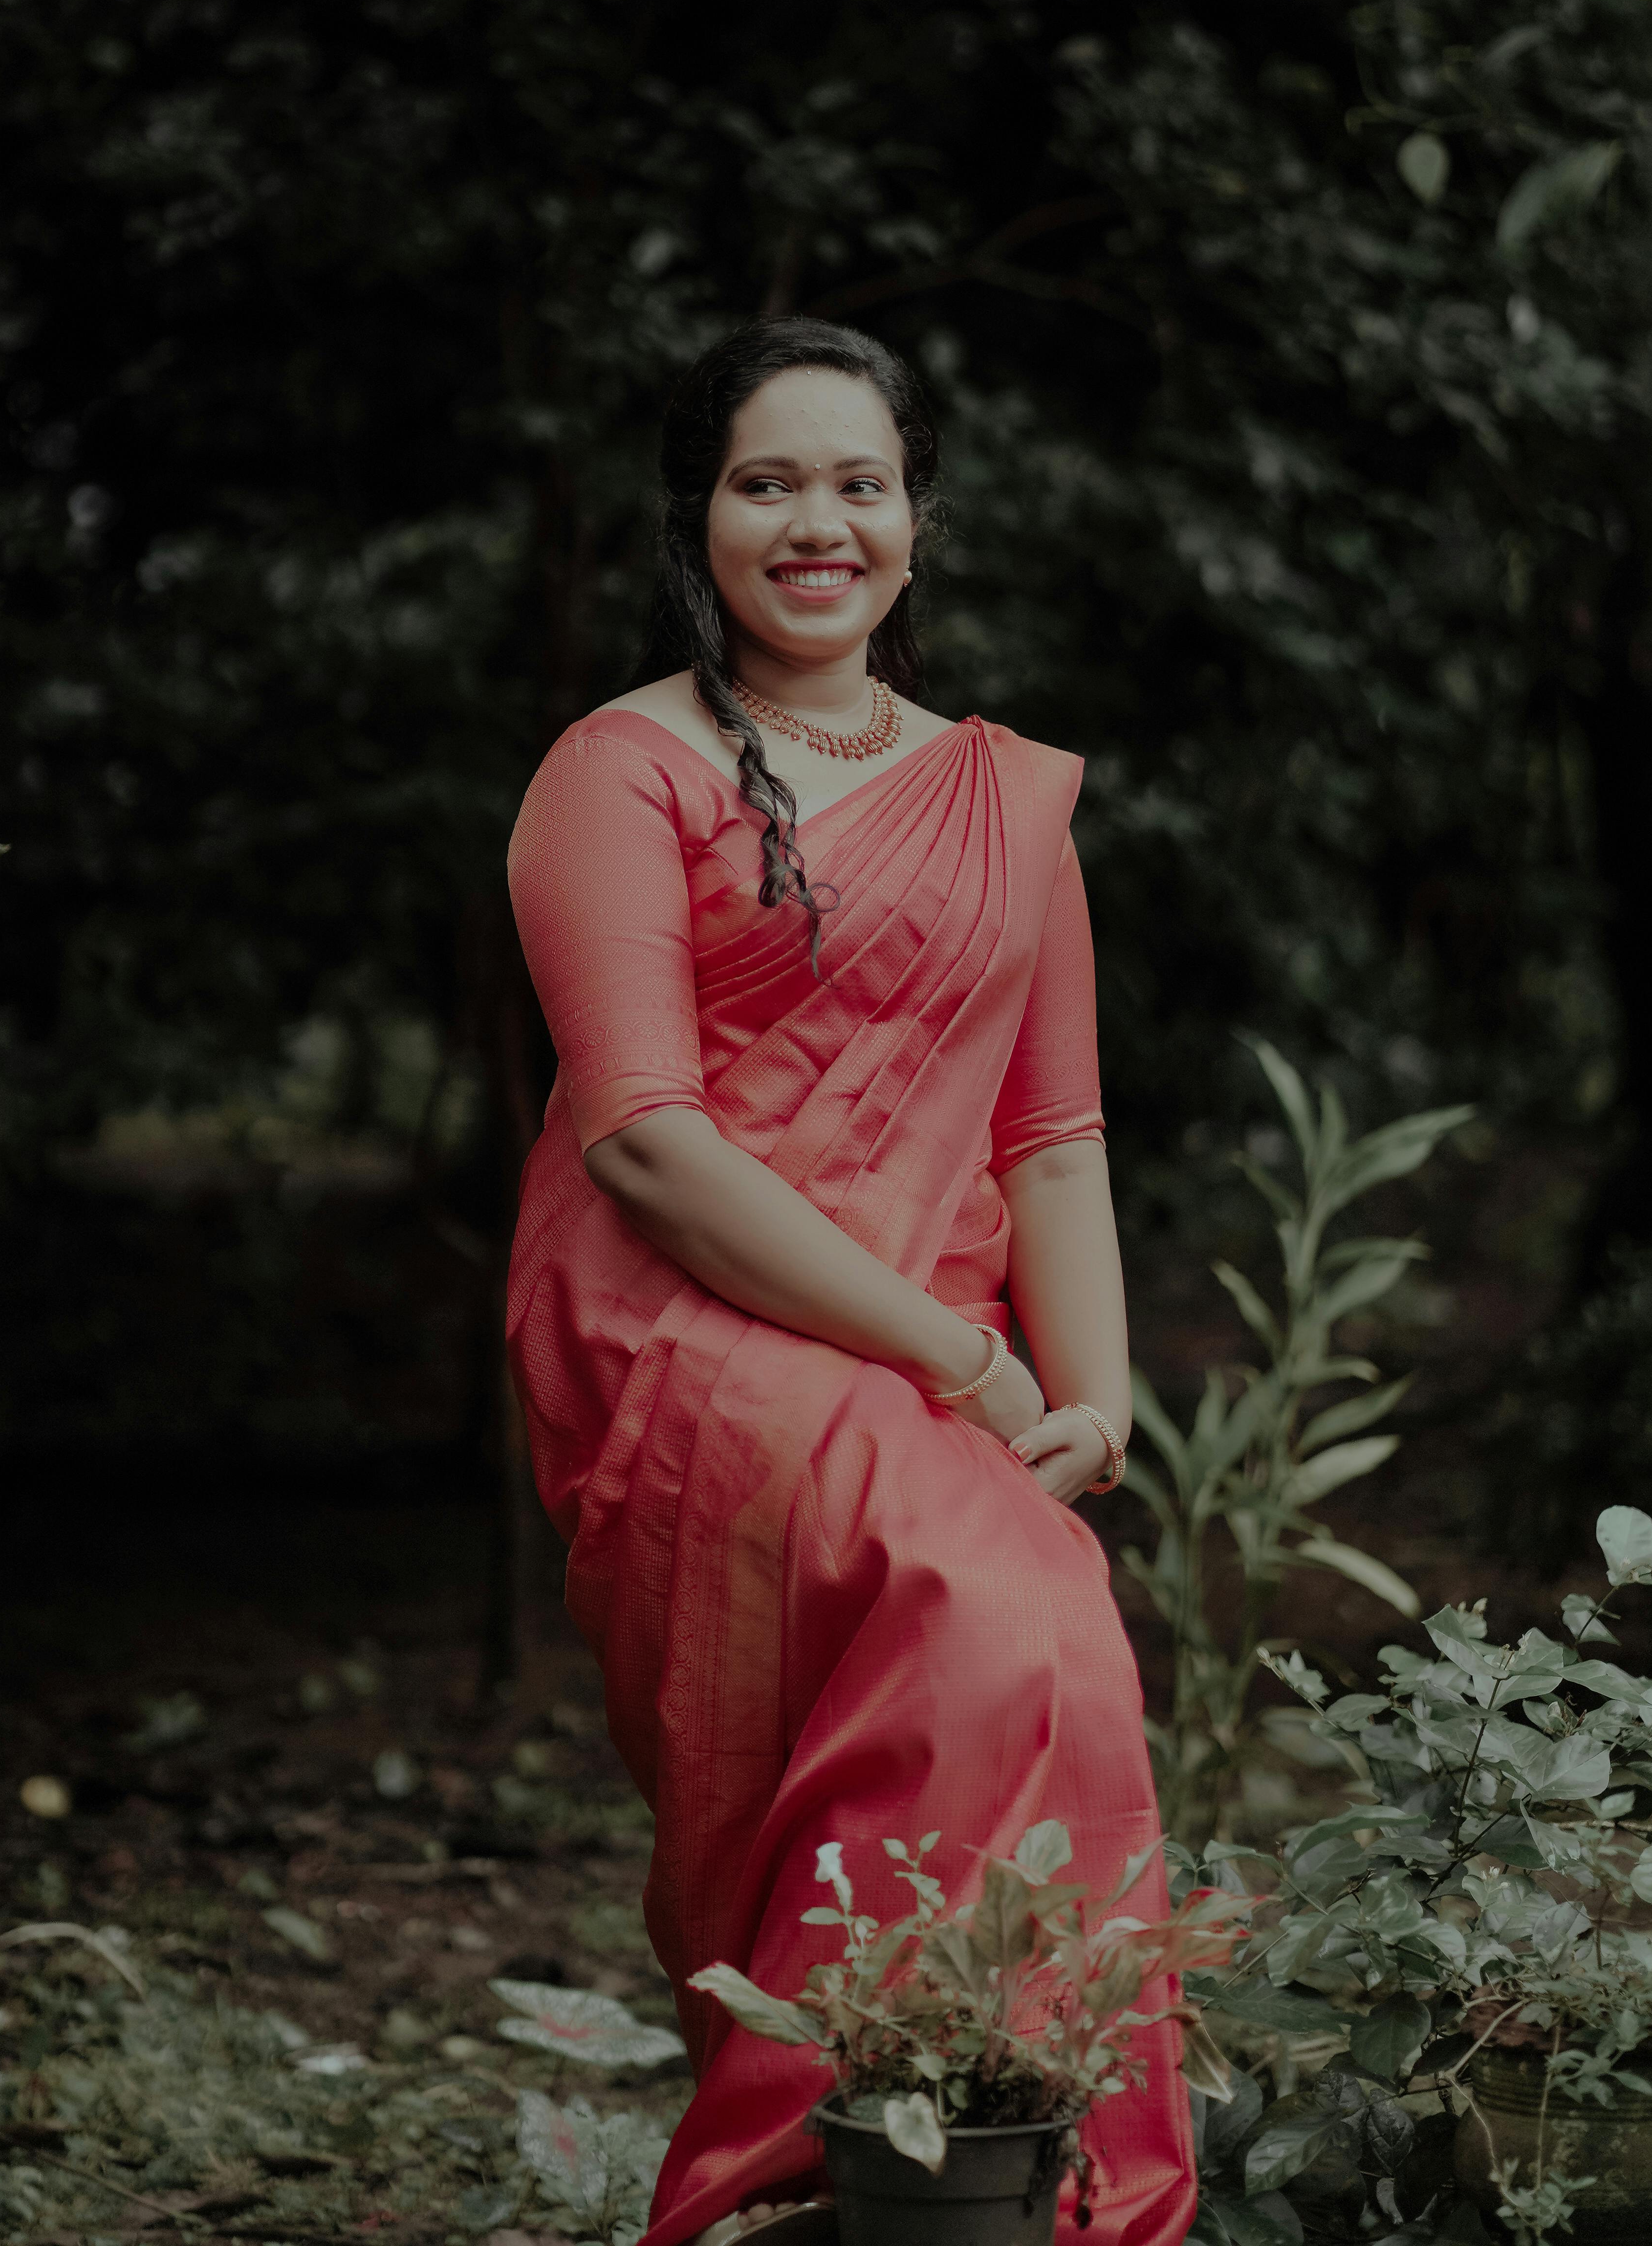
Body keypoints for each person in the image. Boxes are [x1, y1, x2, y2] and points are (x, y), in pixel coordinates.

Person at [505, 322, 1191, 2246]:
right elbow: (644, 1141)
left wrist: (1098, 1389)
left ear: (920, 521)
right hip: (687, 1324)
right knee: (977, 1609)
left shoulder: (1001, 799)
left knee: (1063, 1662)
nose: (819, 521)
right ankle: (788, 2177)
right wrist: (962, 1365)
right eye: (766, 482)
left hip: (929, 1337)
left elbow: (1054, 1137)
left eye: (857, 482)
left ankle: (985, 2178)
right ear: (698, 518)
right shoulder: (616, 772)